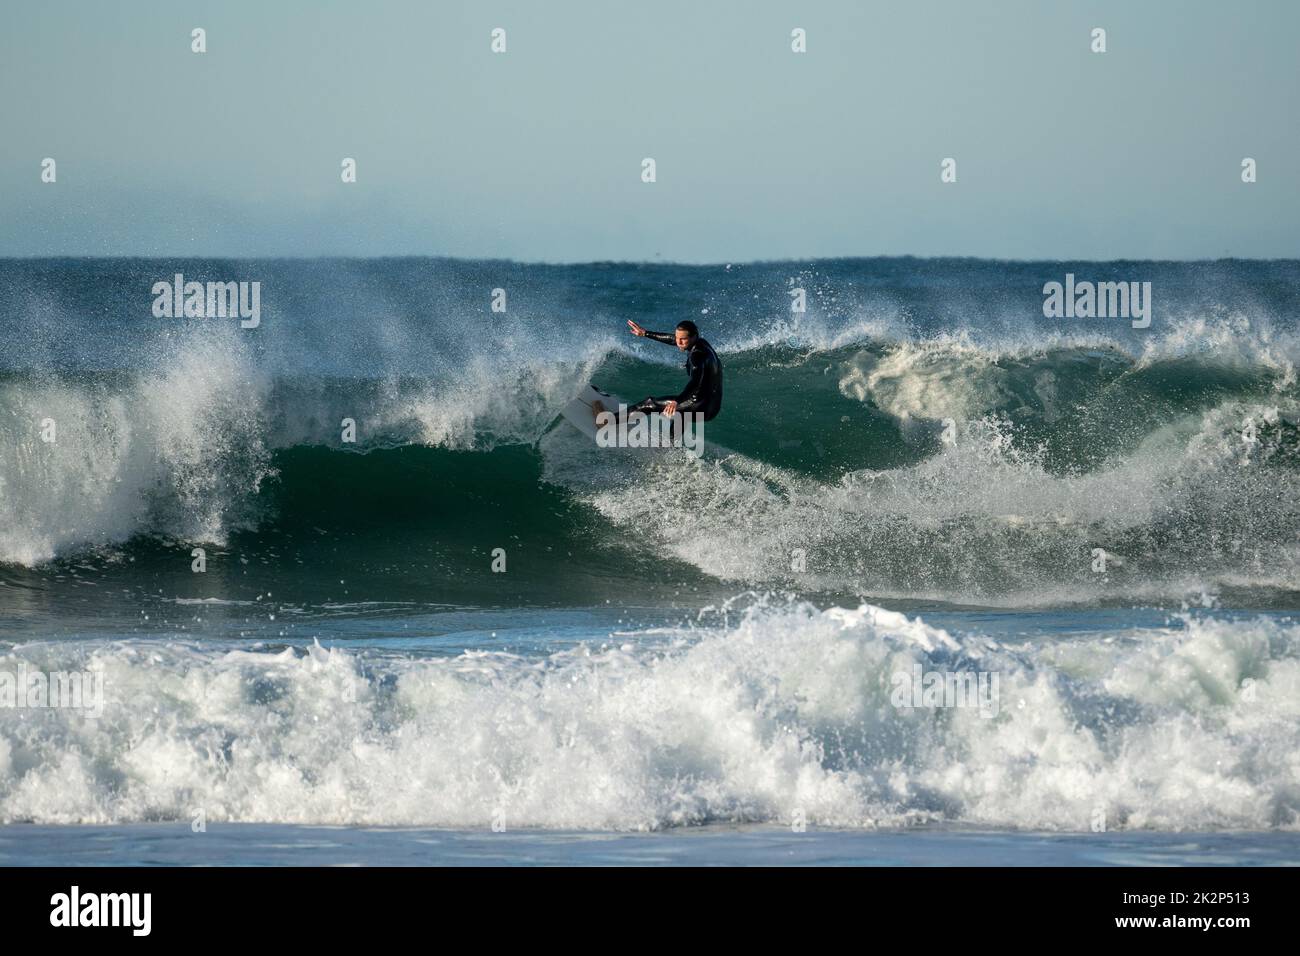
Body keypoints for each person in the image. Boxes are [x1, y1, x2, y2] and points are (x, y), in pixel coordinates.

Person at [593, 320, 723, 428]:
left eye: (683, 339)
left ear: (694, 336)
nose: (678, 342)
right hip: (711, 407)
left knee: (649, 404)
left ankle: (606, 422)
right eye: (677, 338)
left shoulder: (697, 357)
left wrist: (677, 401)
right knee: (683, 413)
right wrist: (645, 333)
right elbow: (673, 340)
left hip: (699, 406)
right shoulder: (702, 344)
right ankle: (670, 447)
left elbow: (696, 382)